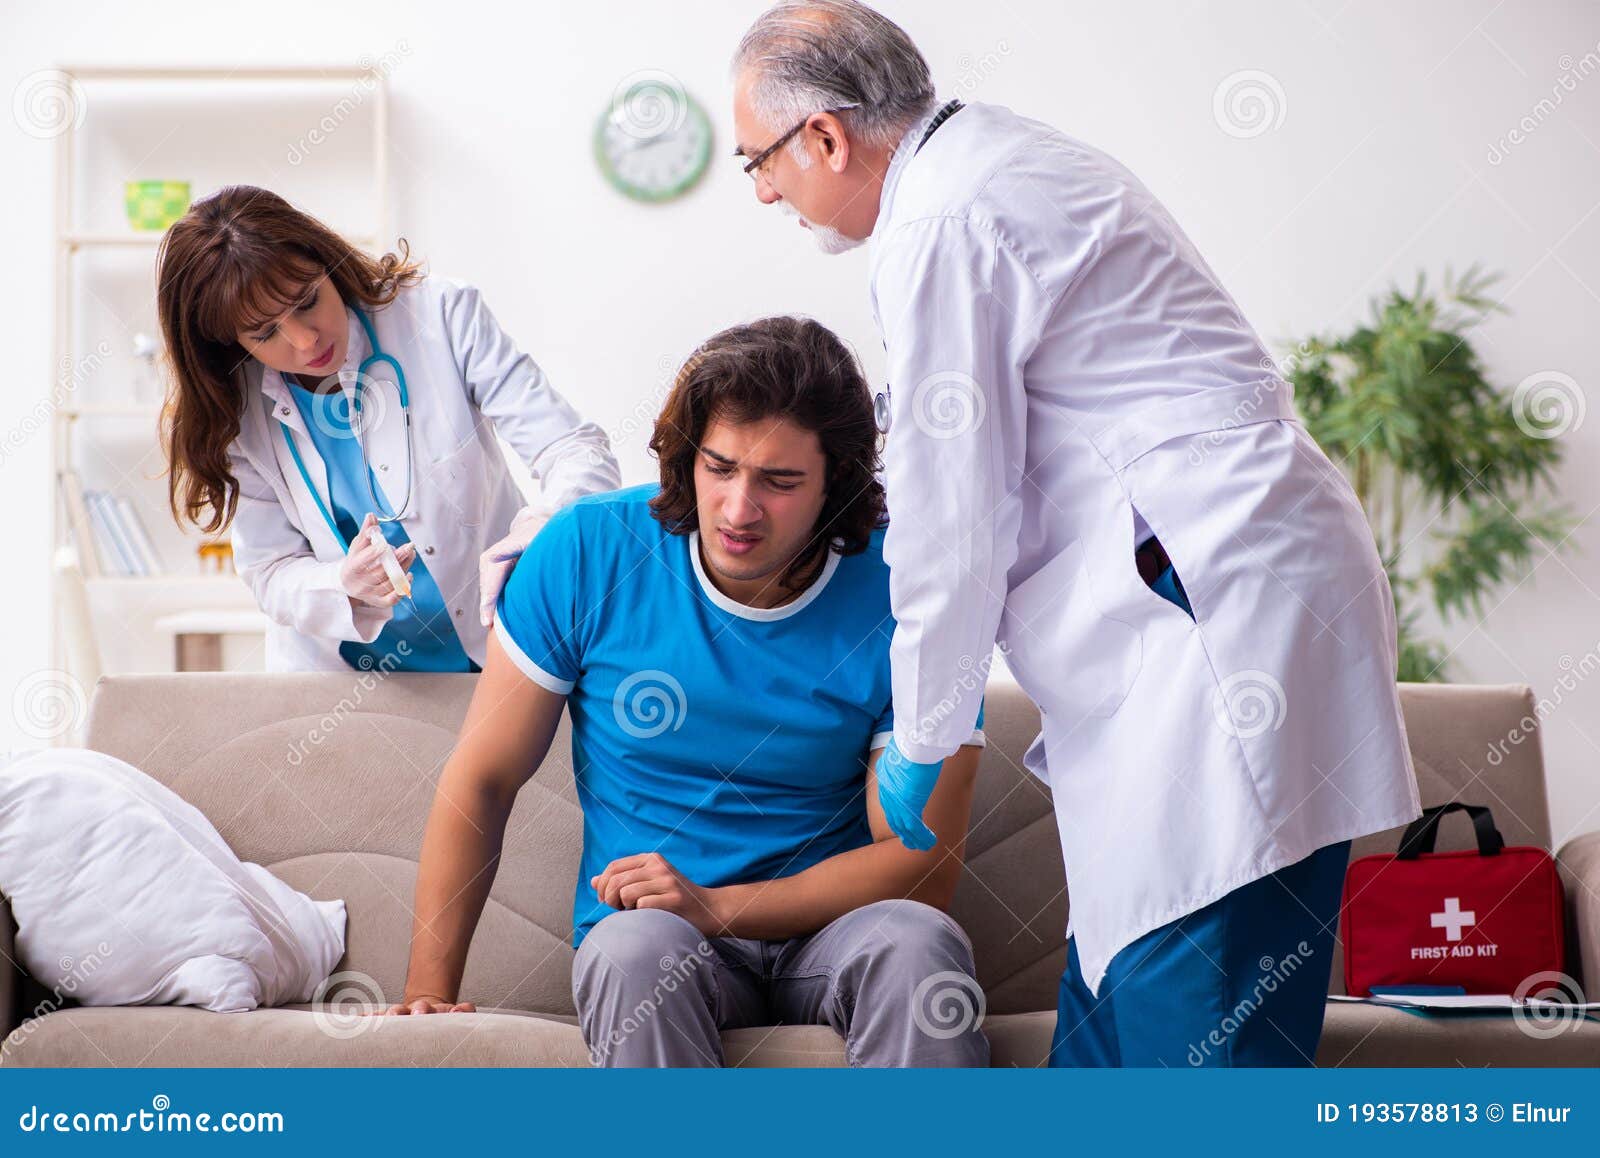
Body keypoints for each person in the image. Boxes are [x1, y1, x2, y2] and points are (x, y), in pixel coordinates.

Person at [728, 0, 1422, 1067]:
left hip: (1210, 630)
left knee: (1190, 1056)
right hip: (1209, 615)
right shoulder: (992, 164)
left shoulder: (941, 224)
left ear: (822, 135)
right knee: (1106, 1043)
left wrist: (923, 738)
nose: (764, 189)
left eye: (758, 163)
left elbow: (954, 516)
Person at [383, 317, 990, 1068]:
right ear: (685, 457)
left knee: (918, 943)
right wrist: (428, 995)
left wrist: (721, 906)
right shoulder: (587, 551)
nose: (739, 510)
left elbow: (919, 863)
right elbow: (483, 778)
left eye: (779, 481)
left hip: (836, 929)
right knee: (629, 952)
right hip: (657, 935)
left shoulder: (910, 595)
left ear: (838, 479)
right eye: (720, 468)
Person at [158, 185, 619, 672]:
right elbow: (271, 572)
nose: (305, 338)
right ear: (229, 343)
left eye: (308, 300)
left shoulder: (439, 316)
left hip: (496, 651)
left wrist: (547, 524)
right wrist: (342, 583)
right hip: (342, 680)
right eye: (266, 332)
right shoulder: (238, 411)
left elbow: (573, 447)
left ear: (324, 261)